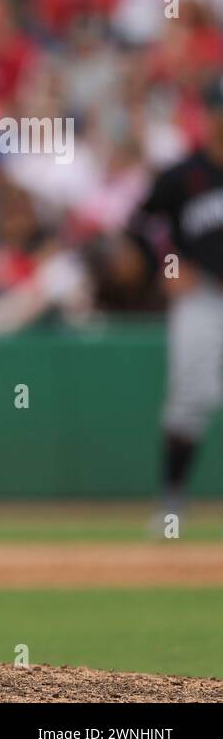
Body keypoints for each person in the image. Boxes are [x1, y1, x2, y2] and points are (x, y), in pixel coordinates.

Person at [127, 73, 223, 531]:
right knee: (188, 399)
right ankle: (171, 503)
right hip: (203, 296)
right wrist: (169, 264)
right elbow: (139, 225)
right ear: (205, 116)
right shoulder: (184, 175)